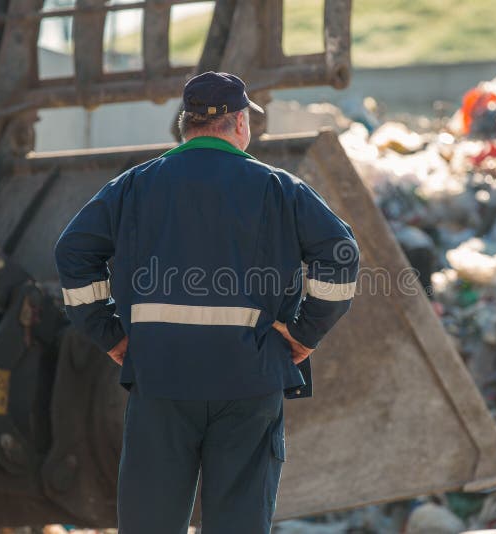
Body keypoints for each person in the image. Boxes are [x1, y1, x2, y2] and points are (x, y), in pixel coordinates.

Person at [53, 71, 359, 534]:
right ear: (240, 123)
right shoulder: (278, 188)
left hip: (161, 379)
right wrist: (304, 332)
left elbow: (73, 252)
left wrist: (109, 333)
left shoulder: (135, 186)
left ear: (186, 123)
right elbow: (341, 255)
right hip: (250, 381)